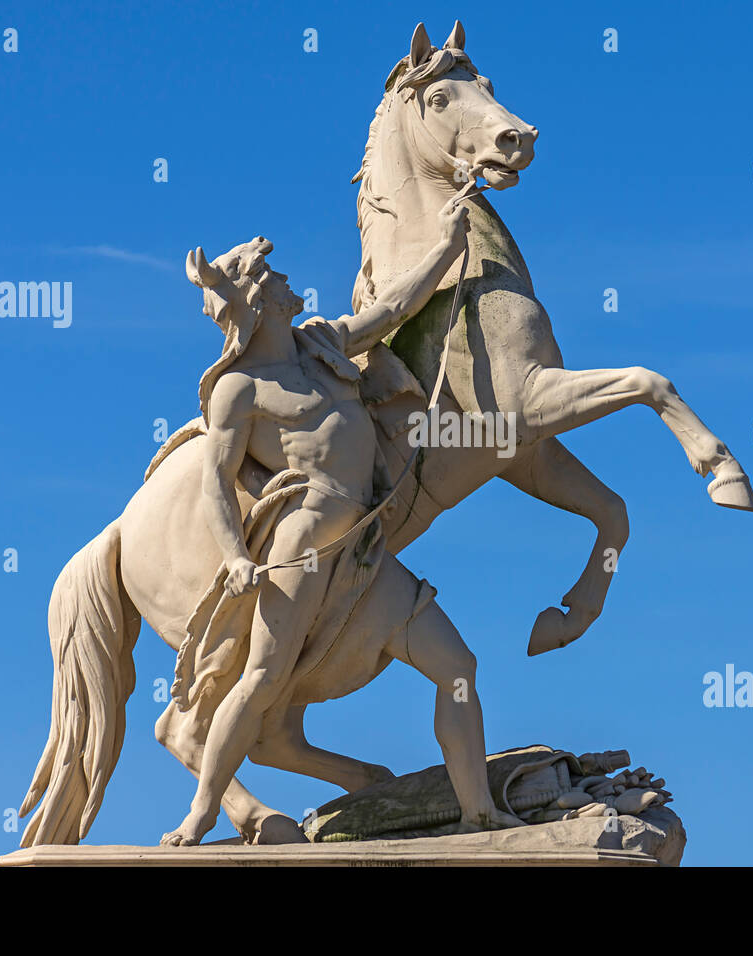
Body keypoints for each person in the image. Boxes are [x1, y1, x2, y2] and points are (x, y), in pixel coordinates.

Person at [161, 199, 524, 846]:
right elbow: (218, 482)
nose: (286, 279)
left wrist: (446, 247)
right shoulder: (238, 389)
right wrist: (237, 557)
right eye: (271, 276)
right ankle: (204, 810)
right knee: (263, 679)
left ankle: (479, 814)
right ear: (257, 300)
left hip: (362, 548)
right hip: (300, 547)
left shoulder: (321, 342)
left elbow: (393, 312)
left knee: (457, 665)